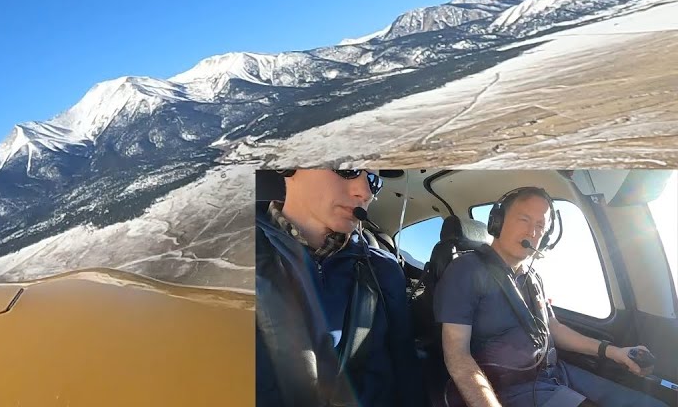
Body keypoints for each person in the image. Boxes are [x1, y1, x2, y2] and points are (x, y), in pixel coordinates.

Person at [435, 186, 663, 407]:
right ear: (498, 221)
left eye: (540, 226)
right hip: (506, 388)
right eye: (524, 219)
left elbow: (554, 328)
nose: (532, 232)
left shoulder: (532, 277)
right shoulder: (465, 270)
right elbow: (457, 356)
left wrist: (614, 352)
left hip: (554, 372)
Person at [256, 167, 426, 407]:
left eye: (373, 181)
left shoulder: (384, 269)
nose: (366, 193)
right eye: (348, 169)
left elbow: (406, 369)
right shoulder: (224, 257)